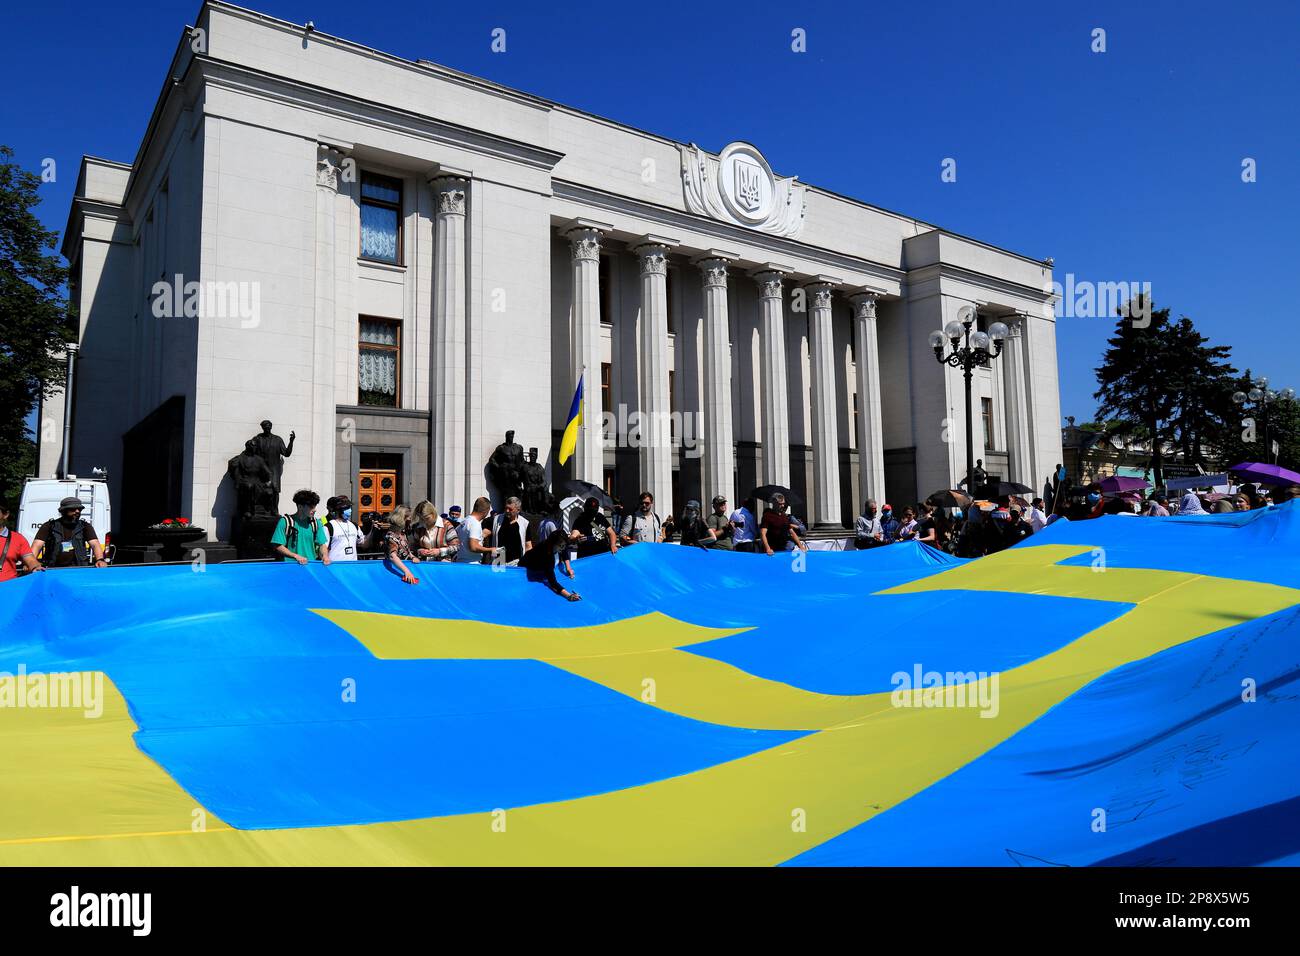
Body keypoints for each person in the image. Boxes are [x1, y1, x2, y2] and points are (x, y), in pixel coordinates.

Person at [33, 497, 108, 568]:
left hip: (78, 569)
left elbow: (95, 544)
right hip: (53, 569)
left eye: (79, 509)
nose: (77, 511)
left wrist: (100, 560)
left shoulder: (85, 526)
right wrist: (32, 563)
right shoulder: (49, 526)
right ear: (63, 511)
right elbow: (37, 545)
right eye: (73, 509)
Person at [271, 489, 330, 565]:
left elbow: (322, 544)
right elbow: (278, 545)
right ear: (300, 507)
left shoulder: (316, 523)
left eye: (315, 506)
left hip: (311, 566)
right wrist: (295, 556)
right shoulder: (285, 522)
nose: (315, 510)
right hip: (291, 567)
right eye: (311, 507)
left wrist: (325, 556)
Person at [521, 530, 581, 602]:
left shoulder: (560, 543)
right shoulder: (546, 554)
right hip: (524, 566)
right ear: (553, 543)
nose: (562, 548)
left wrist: (568, 568)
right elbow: (552, 582)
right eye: (560, 546)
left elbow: (564, 551)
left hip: (539, 561)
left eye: (564, 545)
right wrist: (568, 596)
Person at [0, 498, 43, 582]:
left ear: (6, 515)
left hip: (8, 590)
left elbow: (30, 560)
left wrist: (36, 567)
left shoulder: (17, 539)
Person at [381, 505, 420, 583]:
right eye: (408, 519)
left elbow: (406, 551)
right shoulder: (391, 536)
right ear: (401, 519)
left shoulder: (402, 534)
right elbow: (392, 556)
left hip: (406, 571)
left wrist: (413, 557)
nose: (410, 521)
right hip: (397, 574)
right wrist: (407, 571)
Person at [491, 497, 532, 566]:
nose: (507, 511)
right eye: (506, 508)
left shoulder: (524, 523)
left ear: (518, 510)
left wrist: (528, 561)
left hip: (516, 562)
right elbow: (485, 532)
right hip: (498, 561)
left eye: (510, 509)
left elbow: (528, 545)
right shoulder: (497, 519)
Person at [455, 497, 498, 564]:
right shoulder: (475, 523)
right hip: (471, 564)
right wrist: (491, 549)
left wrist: (481, 536)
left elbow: (462, 538)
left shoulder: (465, 521)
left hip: (460, 562)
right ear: (486, 511)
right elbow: (474, 547)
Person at [324, 495, 362, 561]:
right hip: (335, 567)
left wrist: (373, 530)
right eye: (347, 508)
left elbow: (363, 543)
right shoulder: (328, 526)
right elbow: (323, 547)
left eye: (350, 507)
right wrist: (325, 558)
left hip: (352, 567)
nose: (350, 510)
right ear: (339, 510)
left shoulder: (354, 525)